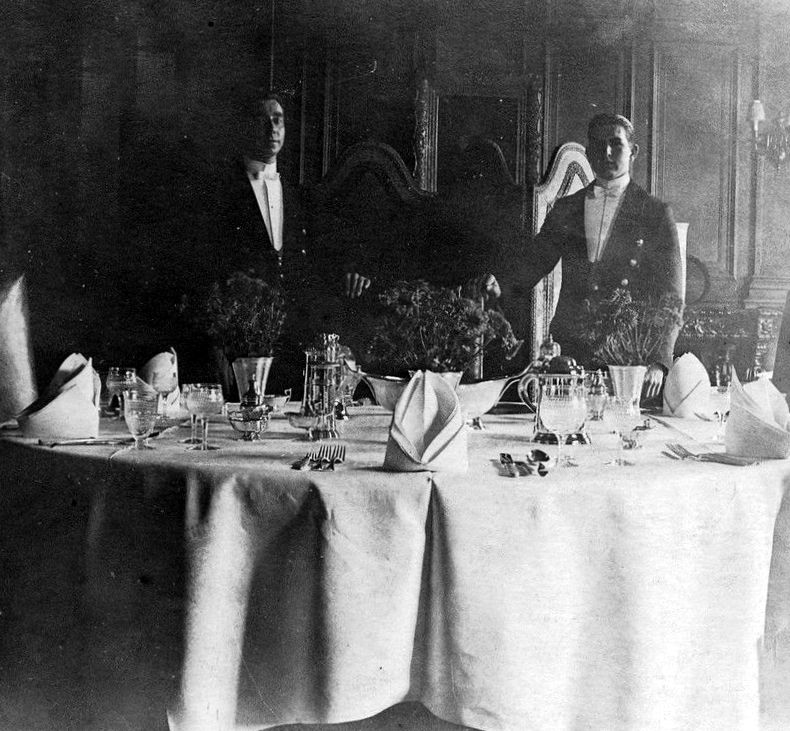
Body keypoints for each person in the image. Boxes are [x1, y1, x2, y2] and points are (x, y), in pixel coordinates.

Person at [517, 113, 684, 397]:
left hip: (628, 353)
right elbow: (535, 260)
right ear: (588, 151)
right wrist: (498, 282)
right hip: (571, 350)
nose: (606, 152)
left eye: (616, 144)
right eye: (597, 145)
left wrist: (659, 360)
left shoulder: (654, 213)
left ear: (633, 151)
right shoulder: (567, 207)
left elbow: (671, 295)